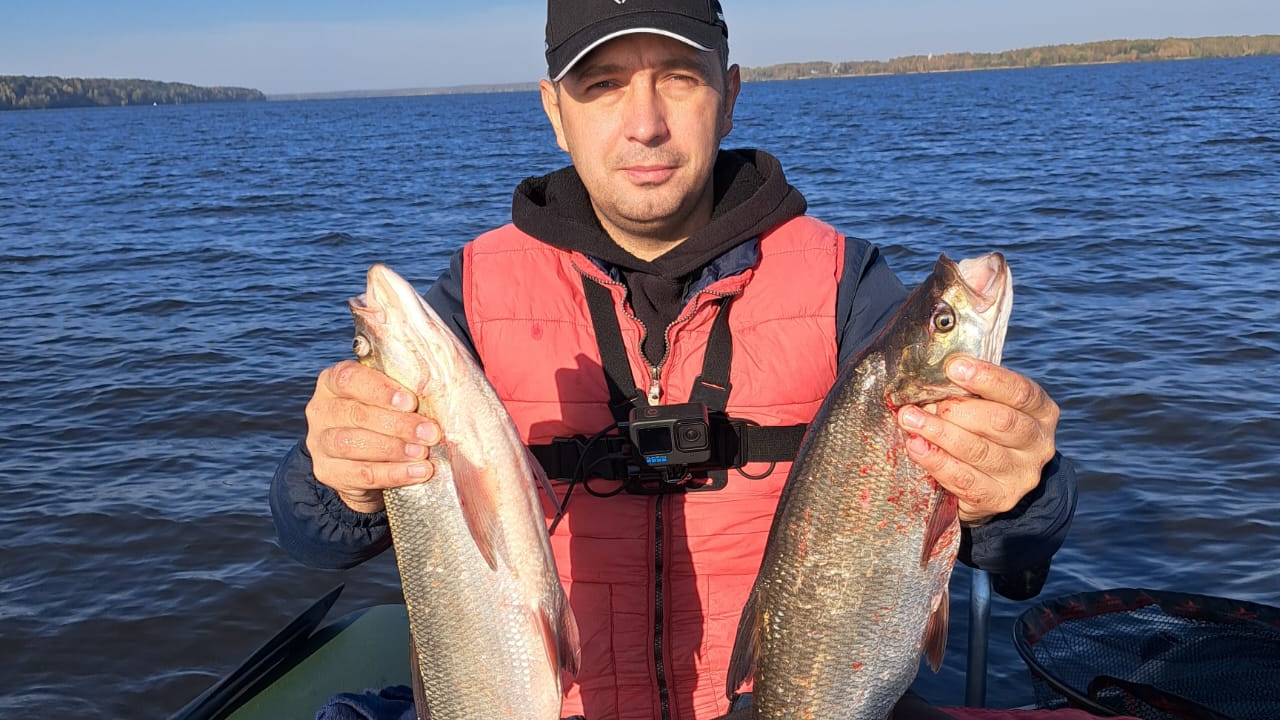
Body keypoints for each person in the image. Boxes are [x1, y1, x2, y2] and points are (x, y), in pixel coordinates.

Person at [271, 1, 1080, 718]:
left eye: (680, 79)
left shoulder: (848, 284)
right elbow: (314, 541)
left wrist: (1017, 492)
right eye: (603, 85)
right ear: (555, 111)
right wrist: (341, 475)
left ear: (729, 95)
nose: (646, 123)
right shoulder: (472, 296)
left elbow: (1013, 554)